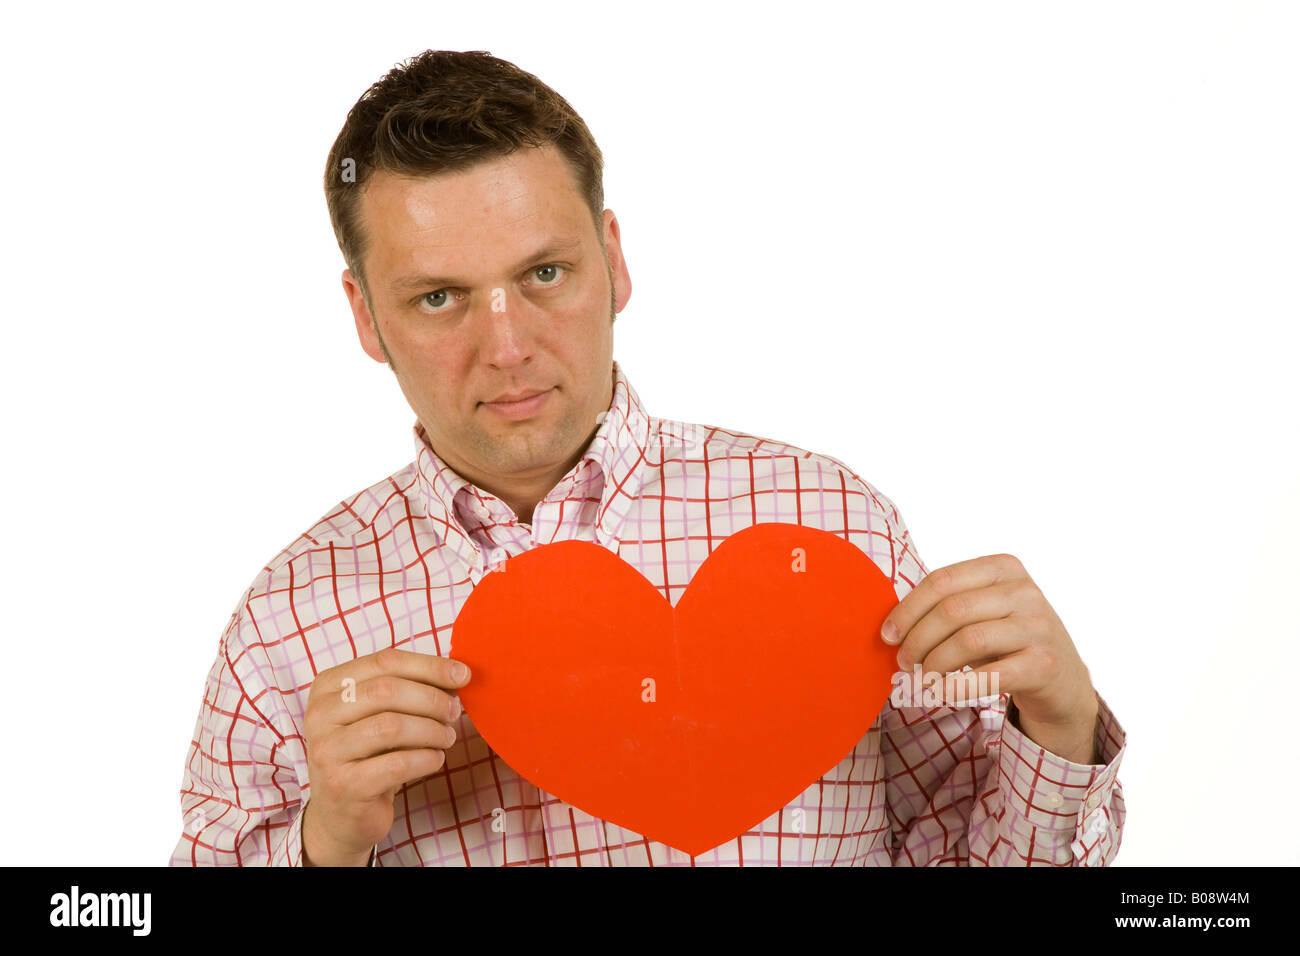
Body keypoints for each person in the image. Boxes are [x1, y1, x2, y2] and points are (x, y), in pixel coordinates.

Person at [169, 49, 1126, 867]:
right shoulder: (284, 627)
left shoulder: (834, 525)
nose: (507, 346)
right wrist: (320, 842)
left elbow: (967, 853)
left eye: (545, 274)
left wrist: (1060, 722)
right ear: (363, 315)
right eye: (438, 298)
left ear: (613, 259)